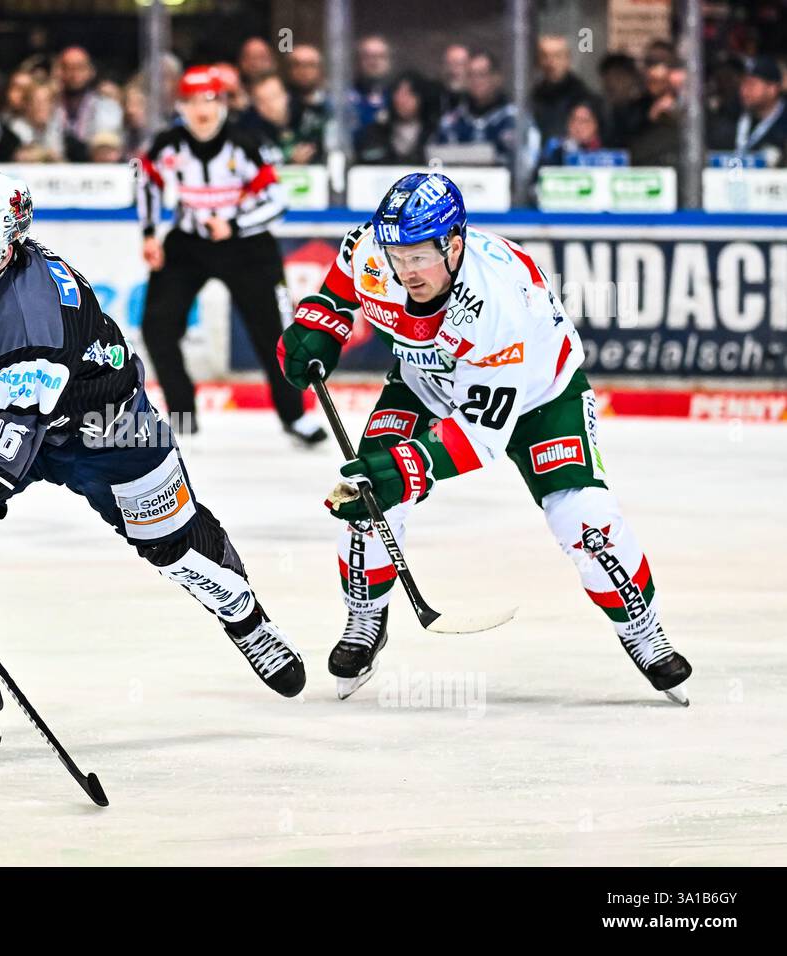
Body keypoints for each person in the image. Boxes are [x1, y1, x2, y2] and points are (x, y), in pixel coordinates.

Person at [0, 166, 306, 764]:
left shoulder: (30, 316)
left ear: (6, 252)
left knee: (172, 543)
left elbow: (9, 438)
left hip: (107, 422)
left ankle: (244, 616)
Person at [277, 172, 692, 704]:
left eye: (419, 257)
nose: (406, 271)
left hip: (542, 397)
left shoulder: (498, 305)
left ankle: (641, 627)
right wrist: (323, 322)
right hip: (426, 383)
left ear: (454, 245)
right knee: (365, 499)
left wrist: (407, 469)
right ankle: (365, 617)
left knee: (585, 520)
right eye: (397, 256)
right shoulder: (373, 250)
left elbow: (481, 437)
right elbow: (341, 284)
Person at [135, 66, 326, 445]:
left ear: (223, 103)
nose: (201, 110)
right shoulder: (167, 144)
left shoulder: (246, 142)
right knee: (157, 326)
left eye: (209, 100)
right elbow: (148, 183)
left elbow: (278, 203)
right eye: (191, 101)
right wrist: (150, 233)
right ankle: (182, 415)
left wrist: (235, 224)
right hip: (189, 243)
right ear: (180, 106)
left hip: (248, 247)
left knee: (274, 333)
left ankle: (295, 417)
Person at [732, 55, 787, 166]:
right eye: (742, 83)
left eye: (751, 84)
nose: (744, 90)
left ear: (772, 89)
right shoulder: (731, 115)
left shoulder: (784, 124)